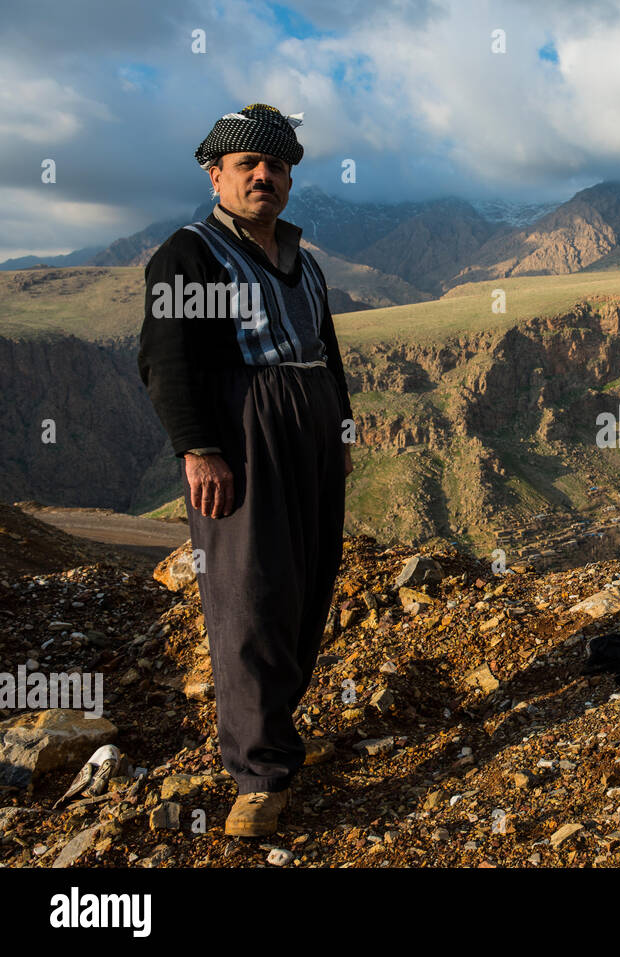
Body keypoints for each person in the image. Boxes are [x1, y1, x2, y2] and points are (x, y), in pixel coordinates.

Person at [137, 103, 354, 837]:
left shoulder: (303, 258)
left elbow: (327, 354)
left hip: (315, 427)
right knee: (250, 594)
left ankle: (280, 733)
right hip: (245, 431)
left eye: (279, 165)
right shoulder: (189, 254)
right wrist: (199, 447)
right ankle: (258, 774)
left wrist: (341, 428)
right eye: (249, 165)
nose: (266, 176)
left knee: (307, 582)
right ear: (216, 174)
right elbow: (166, 357)